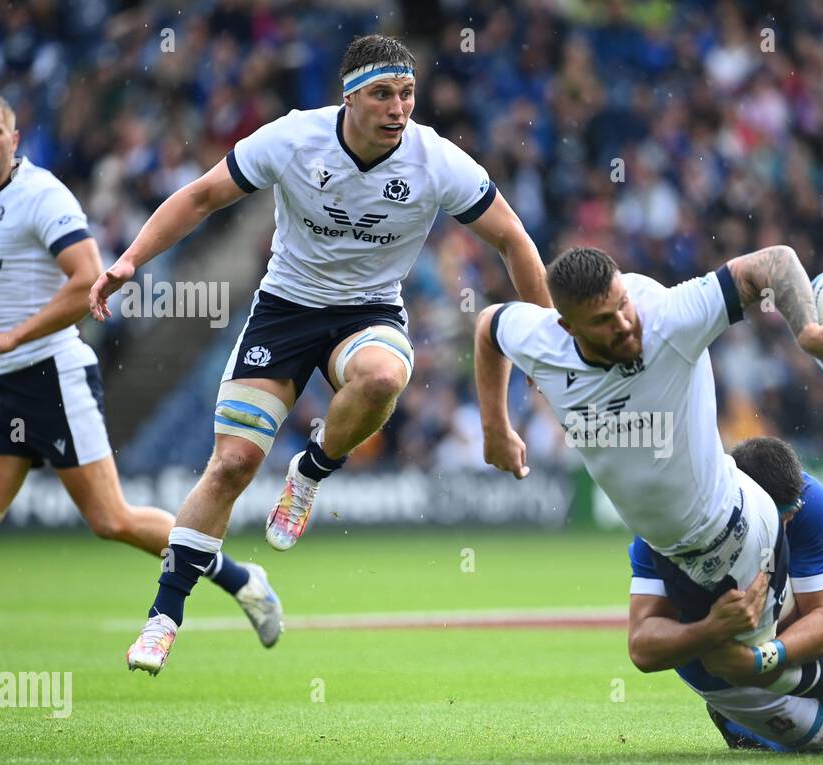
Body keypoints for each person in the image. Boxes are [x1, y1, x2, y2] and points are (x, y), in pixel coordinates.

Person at [88, 35, 551, 674]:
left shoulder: (437, 160)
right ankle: (164, 618)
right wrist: (131, 260)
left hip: (369, 313)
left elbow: (514, 241)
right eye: (383, 94)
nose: (399, 108)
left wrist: (550, 345)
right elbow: (200, 198)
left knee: (385, 374)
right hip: (284, 308)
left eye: (407, 93)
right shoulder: (293, 139)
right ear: (350, 97)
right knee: (231, 465)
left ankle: (311, 470)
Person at [476, 245, 823, 717]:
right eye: (604, 322)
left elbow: (773, 262)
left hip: (736, 530)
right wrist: (496, 428)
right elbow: (488, 326)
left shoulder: (668, 318)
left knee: (739, 665)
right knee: (738, 667)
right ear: (567, 327)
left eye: (622, 305)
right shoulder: (543, 340)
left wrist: (809, 330)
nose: (624, 323)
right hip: (677, 549)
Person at [0, 91, 282, 644]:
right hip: (2, 383)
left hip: (53, 375)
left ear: (14, 140)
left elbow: (86, 280)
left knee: (110, 520)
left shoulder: (40, 195)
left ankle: (240, 579)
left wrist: (12, 335)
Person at [628, 436, 823, 755]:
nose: (783, 529)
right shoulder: (665, 530)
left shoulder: (807, 499)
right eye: (776, 520)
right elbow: (642, 650)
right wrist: (711, 629)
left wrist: (763, 658)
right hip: (715, 668)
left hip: (780, 643)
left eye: (790, 517)